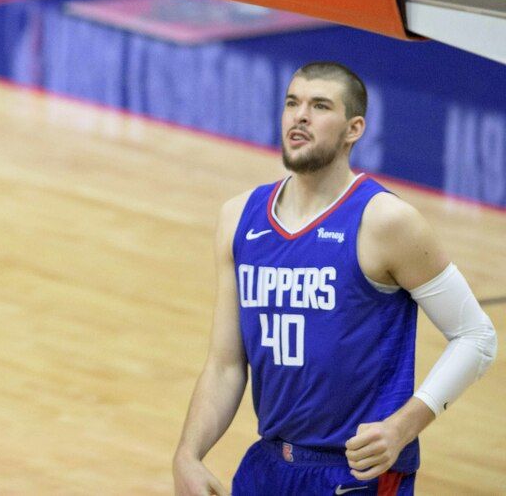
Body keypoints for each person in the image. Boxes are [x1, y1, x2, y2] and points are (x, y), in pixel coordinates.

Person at [172, 62, 497, 495]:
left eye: (320, 105)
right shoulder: (239, 217)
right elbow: (227, 364)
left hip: (356, 475)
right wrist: (188, 455)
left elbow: (476, 335)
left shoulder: (386, 221)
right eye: (292, 103)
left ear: (353, 128)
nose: (300, 116)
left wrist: (404, 426)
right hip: (269, 465)